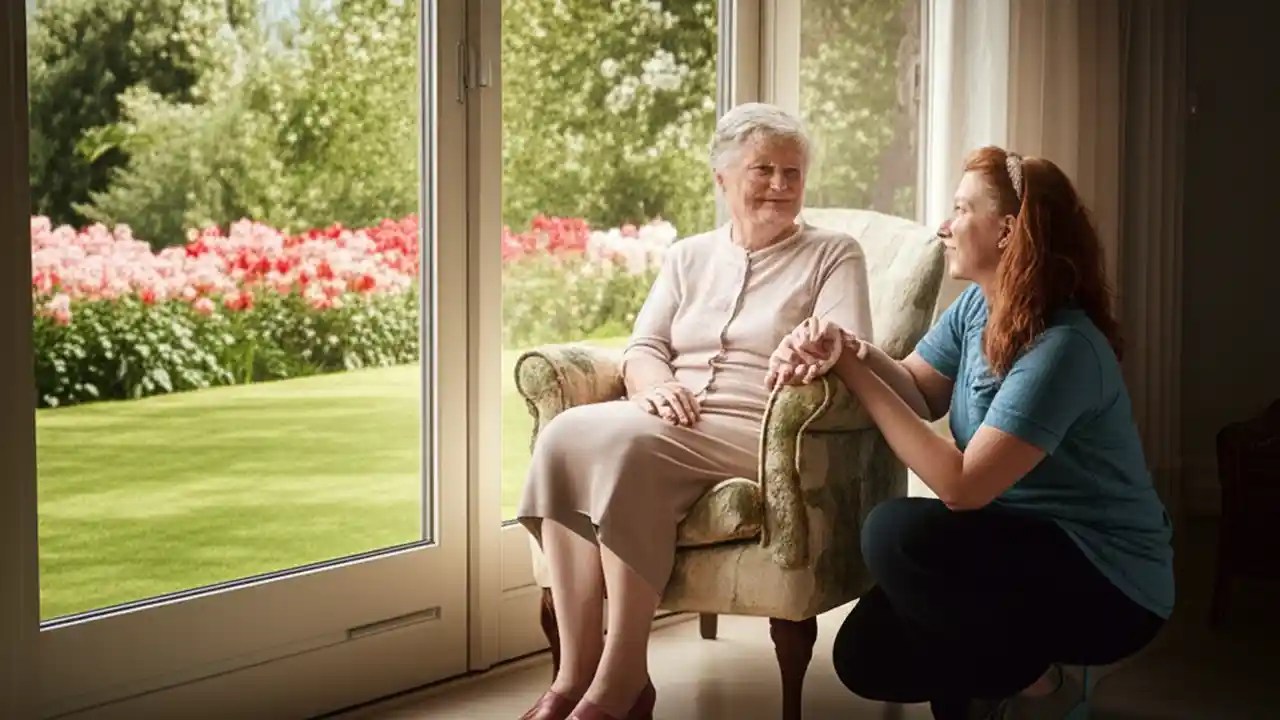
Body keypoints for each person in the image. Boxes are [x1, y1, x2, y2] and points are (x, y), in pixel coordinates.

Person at [769, 146, 1175, 719]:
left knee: (895, 530)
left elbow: (962, 486)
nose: (944, 225)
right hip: (1014, 542)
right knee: (865, 655)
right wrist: (847, 346)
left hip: (1107, 581)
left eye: (961, 209)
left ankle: (1042, 683)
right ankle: (1022, 682)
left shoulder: (1063, 348)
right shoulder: (978, 310)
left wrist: (854, 373)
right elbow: (916, 386)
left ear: (1007, 230)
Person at [515, 102, 874, 720]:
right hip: (671, 417)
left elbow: (849, 342)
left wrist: (821, 346)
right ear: (722, 178)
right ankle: (574, 679)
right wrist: (652, 384)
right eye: (764, 170)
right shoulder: (688, 257)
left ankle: (620, 681)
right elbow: (645, 346)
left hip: (759, 430)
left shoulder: (832, 254)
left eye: (793, 173)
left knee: (629, 450)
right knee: (565, 436)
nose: (781, 186)